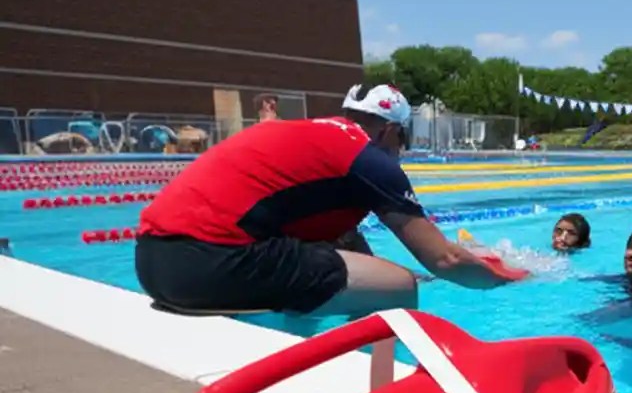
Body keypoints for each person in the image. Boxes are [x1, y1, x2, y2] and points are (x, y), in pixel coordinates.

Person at [134, 83, 526, 316]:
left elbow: (346, 246)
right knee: (400, 285)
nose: (401, 150)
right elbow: (447, 259)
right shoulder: (370, 160)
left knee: (355, 273)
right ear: (390, 131)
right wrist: (507, 278)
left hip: (152, 263)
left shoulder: (316, 138)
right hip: (207, 267)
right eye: (403, 139)